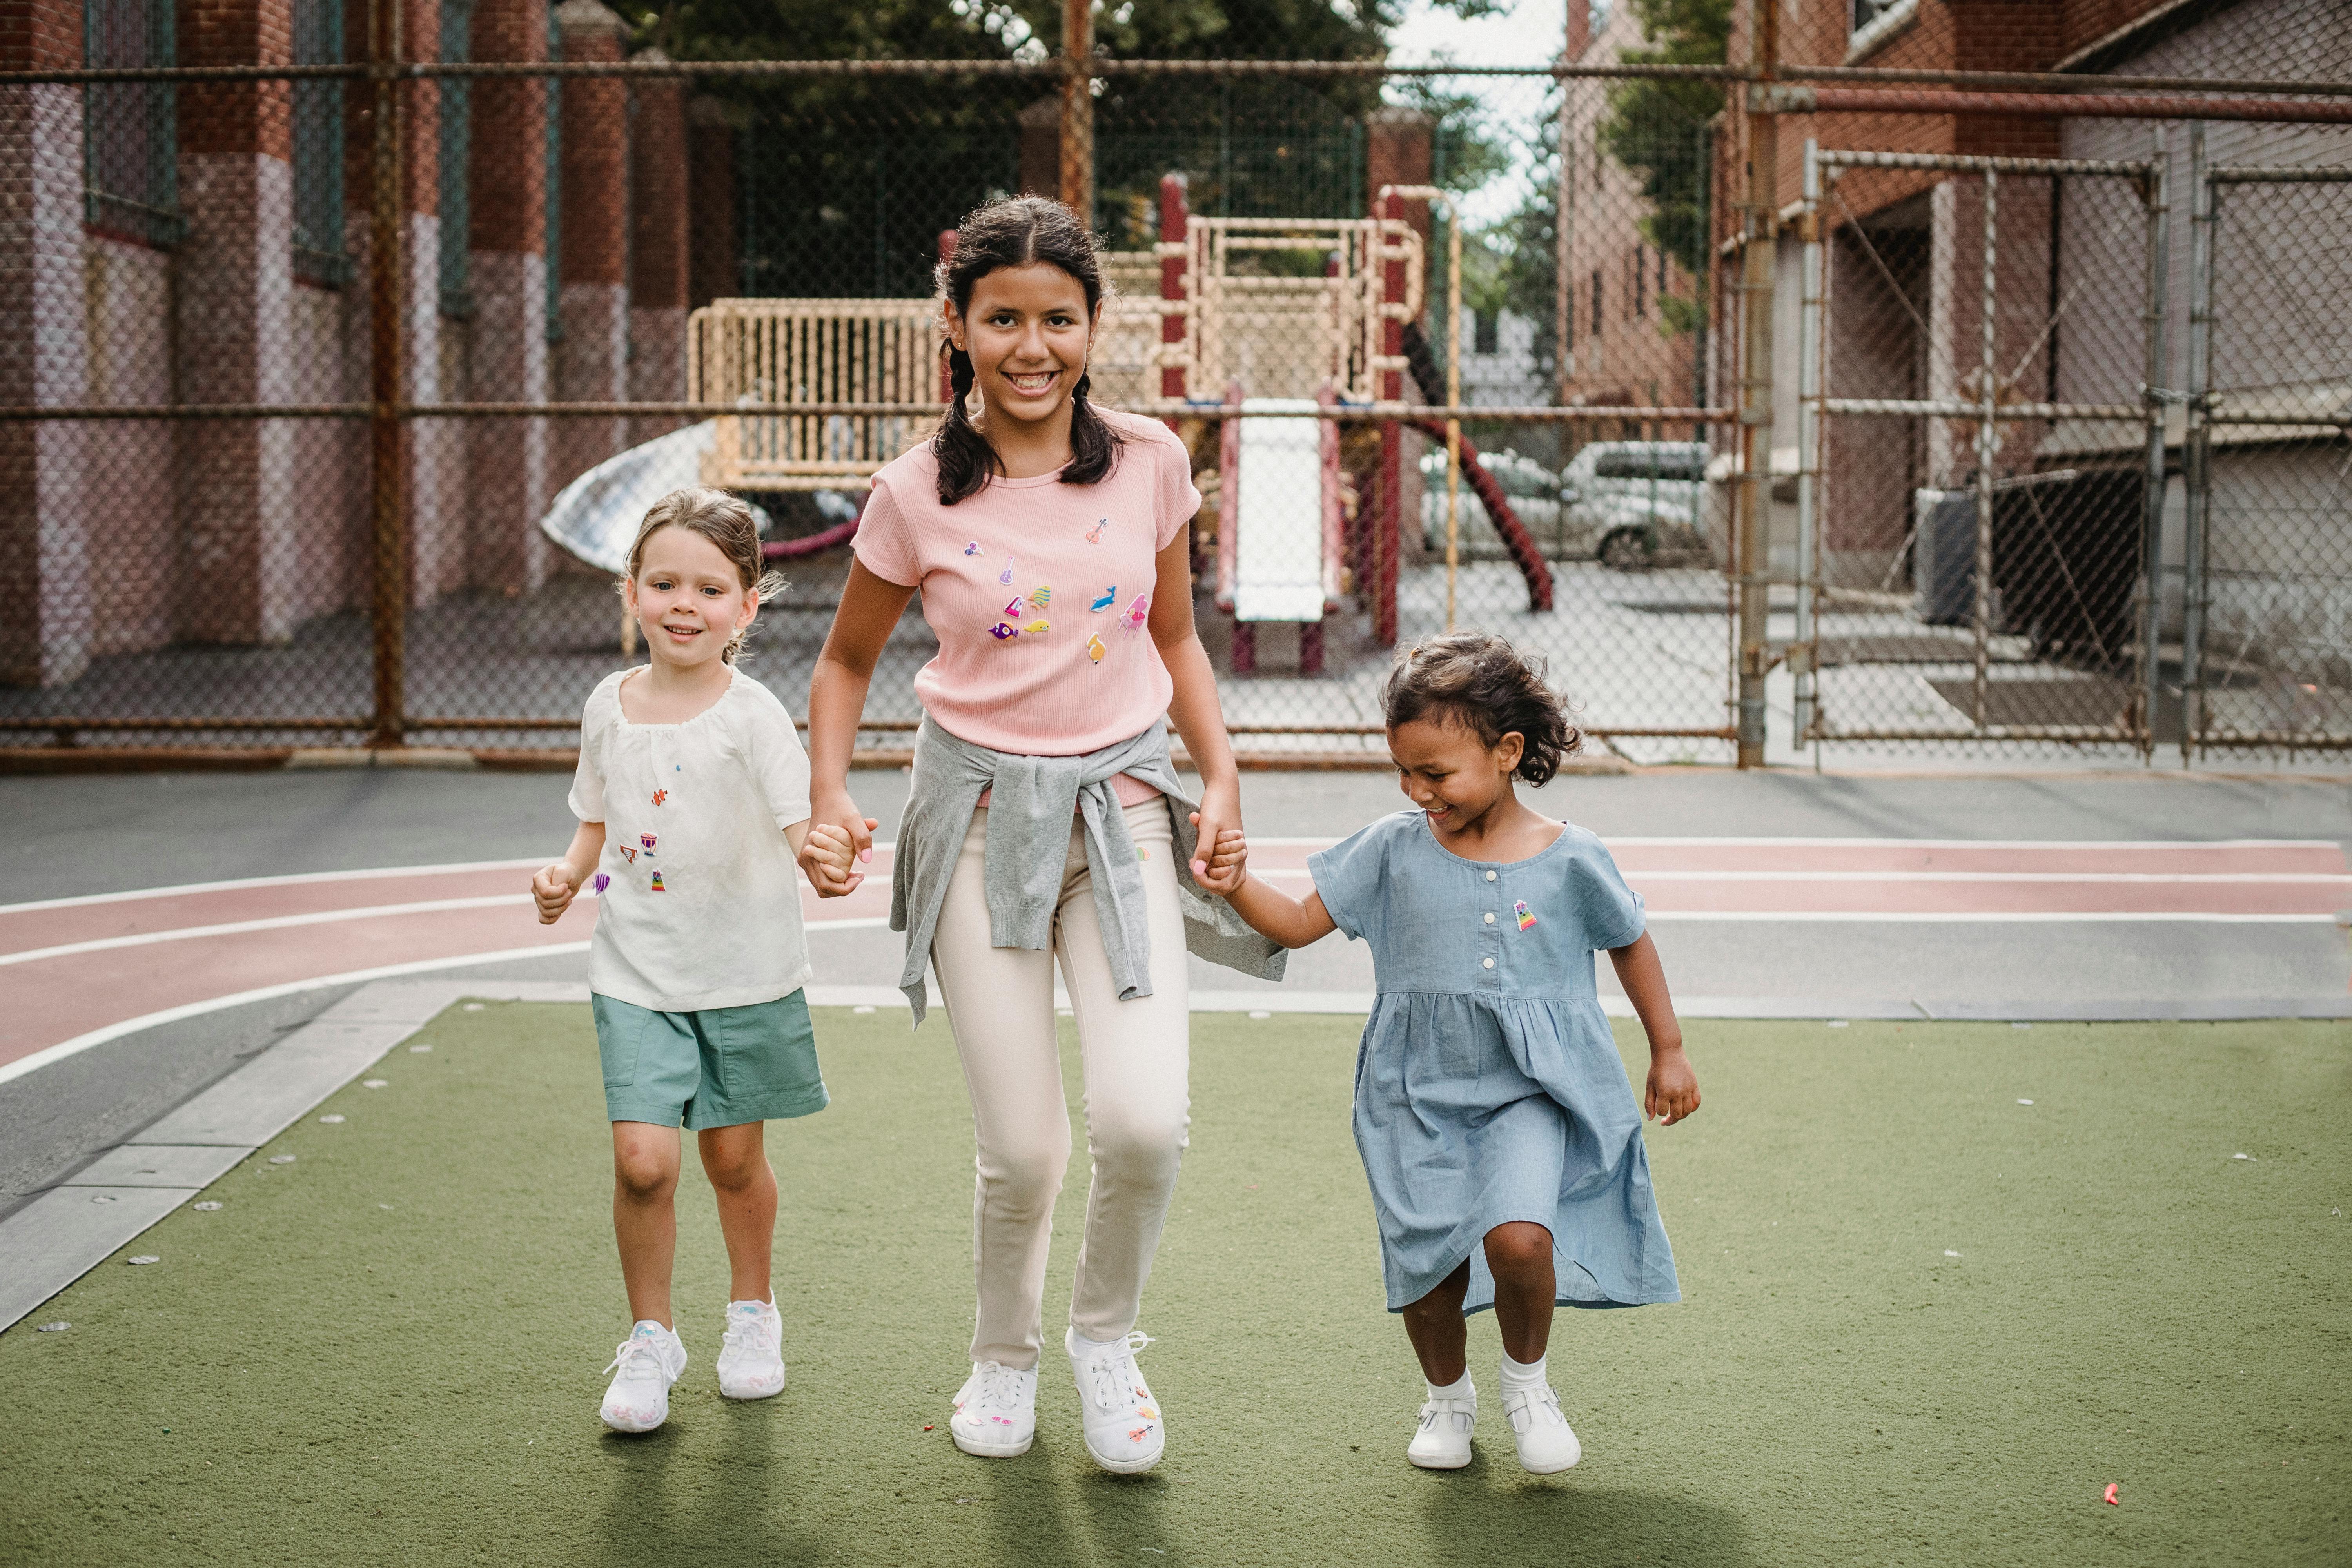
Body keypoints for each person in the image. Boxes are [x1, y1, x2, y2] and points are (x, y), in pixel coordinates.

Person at [795, 194, 1279, 1475]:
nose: (1031, 344)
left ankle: (1104, 1344)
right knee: (1023, 1148)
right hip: (974, 831)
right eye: (1002, 317)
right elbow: (845, 664)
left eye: (1057, 319)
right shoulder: (911, 493)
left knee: (1142, 1123)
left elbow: (1176, 637)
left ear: (1092, 326)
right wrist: (831, 796)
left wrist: (1219, 779)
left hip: (1120, 823)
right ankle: (1001, 1360)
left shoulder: (1151, 462)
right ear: (956, 324)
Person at [1209, 632, 1699, 1474]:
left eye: (1436, 773)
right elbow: (1293, 923)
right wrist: (1232, 880)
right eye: (1405, 772)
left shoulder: (1573, 856)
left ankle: (1527, 1383)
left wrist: (1671, 1048)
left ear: (1507, 752)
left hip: (1531, 1090)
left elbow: (1631, 939)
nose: (1417, 790)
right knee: (1428, 1266)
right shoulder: (1390, 849)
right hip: (1414, 1091)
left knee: (1520, 1242)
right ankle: (1447, 1399)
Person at [532, 487, 831, 1435]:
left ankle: (753, 1314)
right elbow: (594, 817)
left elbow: (802, 826)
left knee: (734, 1159)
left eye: (709, 586)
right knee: (644, 1162)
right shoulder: (606, 705)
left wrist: (825, 855)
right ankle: (651, 1335)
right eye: (663, 582)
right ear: (633, 592)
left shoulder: (754, 714)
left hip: (745, 970)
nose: (683, 603)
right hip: (636, 969)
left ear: (747, 605)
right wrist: (567, 874)